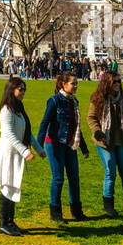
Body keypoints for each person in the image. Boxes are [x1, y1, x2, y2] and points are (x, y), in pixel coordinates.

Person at [87, 70, 123, 218]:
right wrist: (97, 131)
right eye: (115, 82)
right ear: (107, 83)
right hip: (105, 141)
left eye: (119, 81)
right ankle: (108, 205)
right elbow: (91, 118)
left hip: (122, 139)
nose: (118, 84)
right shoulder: (98, 98)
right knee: (110, 173)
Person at [37, 71, 90, 223]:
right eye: (73, 83)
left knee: (74, 178)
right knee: (58, 178)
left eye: (76, 83)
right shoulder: (54, 101)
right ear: (63, 84)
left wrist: (84, 148)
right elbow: (44, 123)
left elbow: (76, 127)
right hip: (54, 144)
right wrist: (39, 146)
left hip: (70, 144)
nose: (75, 86)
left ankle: (76, 211)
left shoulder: (75, 101)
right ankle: (55, 213)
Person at [0, 77, 44, 236]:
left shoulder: (18, 108)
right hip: (8, 151)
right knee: (8, 183)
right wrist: (25, 151)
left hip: (17, 151)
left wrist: (38, 149)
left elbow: (27, 131)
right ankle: (3, 223)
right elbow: (8, 133)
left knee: (14, 183)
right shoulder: (6, 110)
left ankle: (10, 221)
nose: (23, 92)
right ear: (12, 90)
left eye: (24, 89)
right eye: (20, 89)